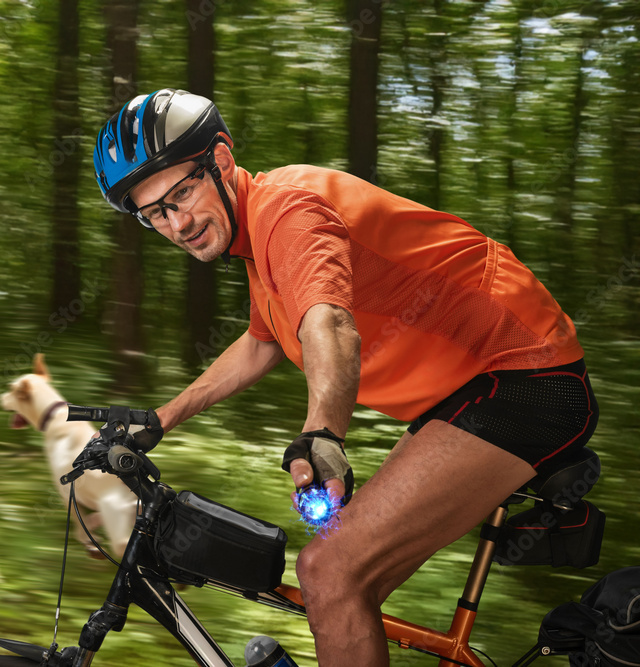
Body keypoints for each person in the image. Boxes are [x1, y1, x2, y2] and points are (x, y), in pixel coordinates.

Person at [92, 89, 599, 666]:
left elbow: (327, 321)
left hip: (525, 375)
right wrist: (160, 419)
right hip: (468, 394)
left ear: (223, 162)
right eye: (155, 212)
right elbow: (264, 343)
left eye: (182, 192)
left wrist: (323, 433)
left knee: (328, 570)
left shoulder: (288, 213)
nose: (177, 222)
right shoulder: (257, 247)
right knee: (337, 589)